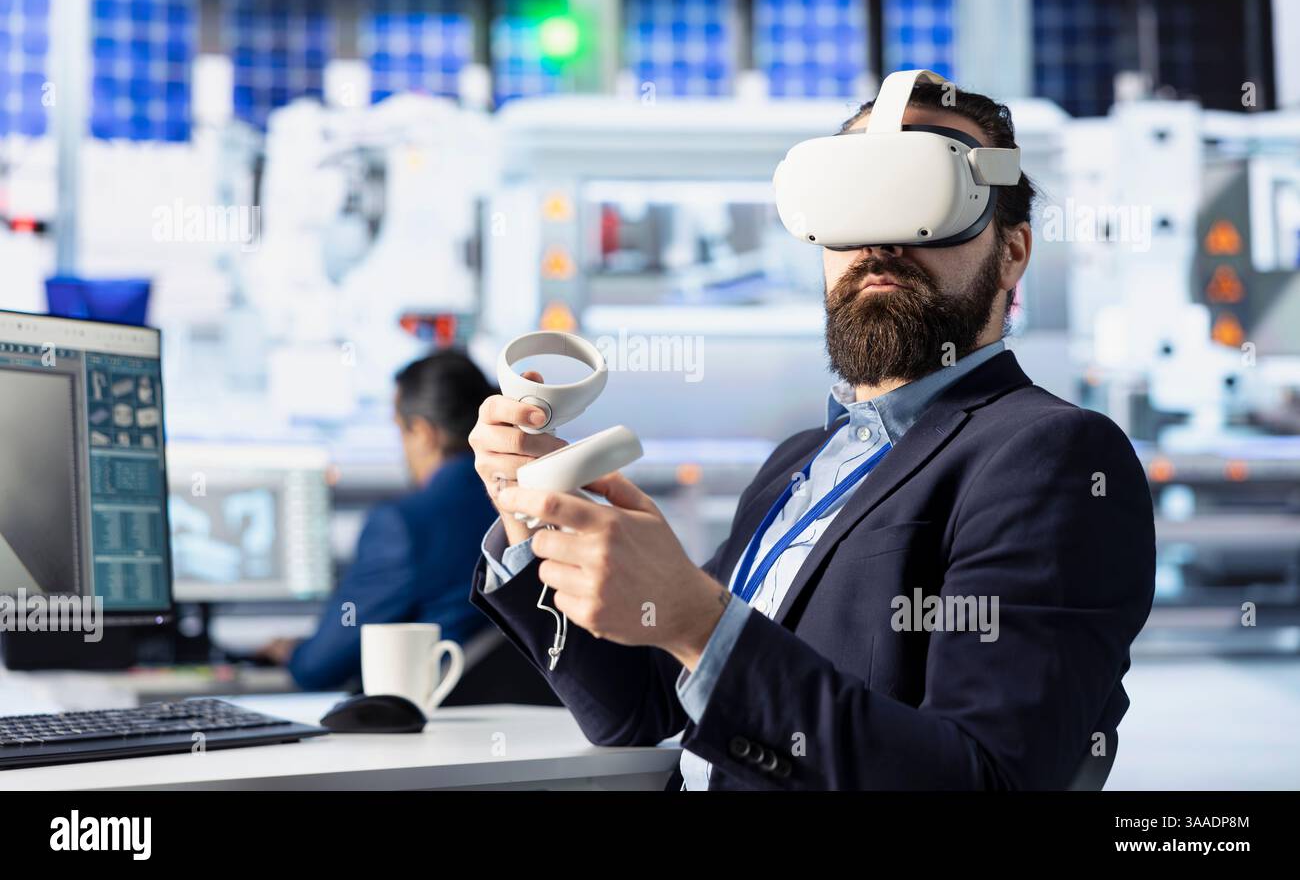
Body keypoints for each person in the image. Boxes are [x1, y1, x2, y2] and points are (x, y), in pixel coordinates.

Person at [464, 78, 1156, 790]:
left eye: (926, 198)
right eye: (853, 202)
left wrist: (699, 621)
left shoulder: (1050, 457)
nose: (881, 242)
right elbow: (638, 710)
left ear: (1012, 253)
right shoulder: (801, 462)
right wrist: (530, 516)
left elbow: (980, 779)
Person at [258, 349, 498, 691]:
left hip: (430, 722)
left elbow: (319, 667)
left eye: (401, 430)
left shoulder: (403, 526)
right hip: (532, 721)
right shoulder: (532, 508)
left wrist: (293, 653)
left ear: (425, 433)